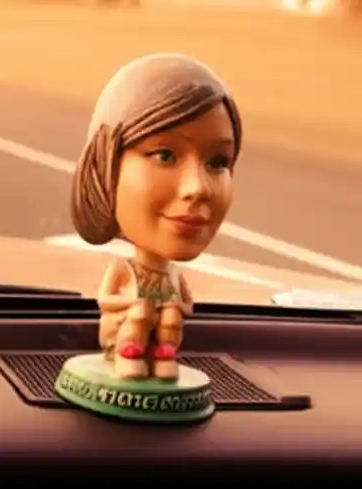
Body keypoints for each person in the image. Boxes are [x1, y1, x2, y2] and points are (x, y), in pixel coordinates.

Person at [71, 53, 243, 380]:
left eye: (218, 162)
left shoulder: (174, 278)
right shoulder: (125, 271)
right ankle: (129, 357)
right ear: (107, 162)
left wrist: (174, 311)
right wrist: (131, 308)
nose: (198, 188)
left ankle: (162, 360)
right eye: (165, 155)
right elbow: (107, 299)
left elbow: (187, 304)